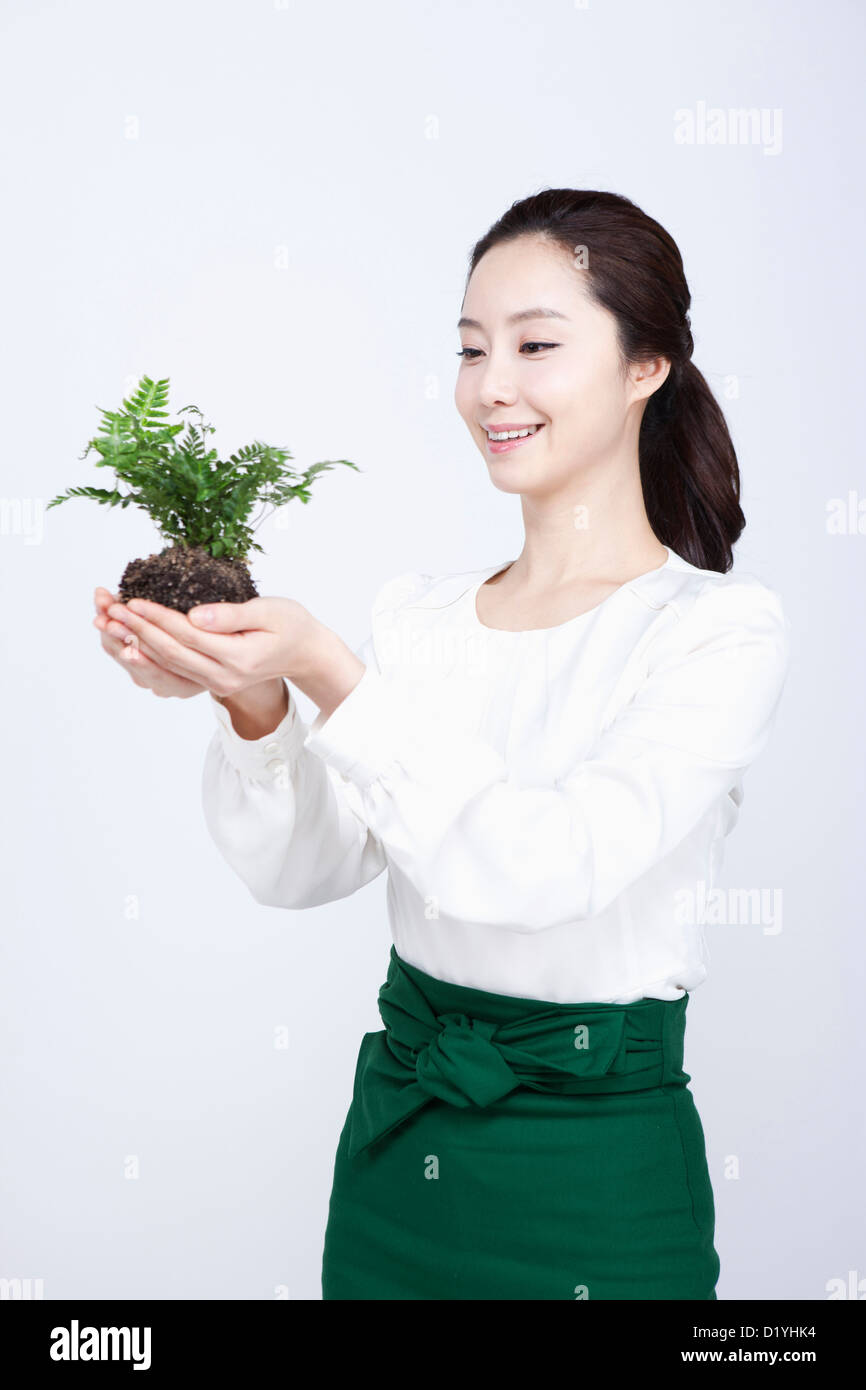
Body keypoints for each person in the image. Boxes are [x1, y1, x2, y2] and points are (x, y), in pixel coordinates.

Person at [94, 188, 790, 1300]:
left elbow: (545, 865)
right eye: (471, 349)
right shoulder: (419, 619)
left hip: (597, 1174)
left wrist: (326, 670)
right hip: (400, 1148)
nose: (490, 386)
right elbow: (307, 866)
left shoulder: (710, 632)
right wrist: (256, 704)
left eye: (534, 345)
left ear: (644, 365)